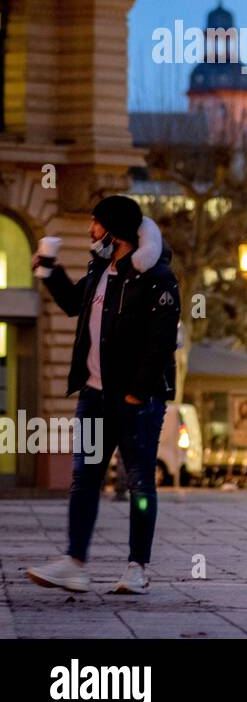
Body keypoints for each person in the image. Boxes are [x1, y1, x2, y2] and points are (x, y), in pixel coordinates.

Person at [25, 196, 180, 595]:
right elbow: (74, 305)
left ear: (115, 229)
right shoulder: (100, 268)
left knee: (141, 483)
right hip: (94, 396)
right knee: (85, 478)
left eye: (96, 223)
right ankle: (74, 563)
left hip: (136, 402)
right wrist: (49, 270)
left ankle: (137, 567)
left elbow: (161, 344)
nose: (90, 230)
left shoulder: (156, 278)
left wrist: (136, 394)